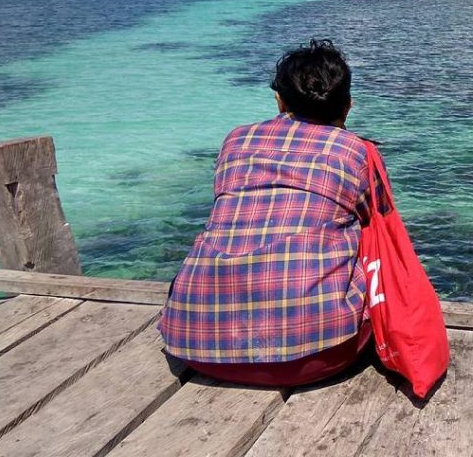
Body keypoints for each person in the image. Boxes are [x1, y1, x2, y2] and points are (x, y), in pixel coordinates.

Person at [159, 39, 385, 387]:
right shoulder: (355, 150)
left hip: (193, 342)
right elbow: (377, 221)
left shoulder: (236, 140)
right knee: (365, 242)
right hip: (319, 355)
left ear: (279, 101)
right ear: (349, 105)